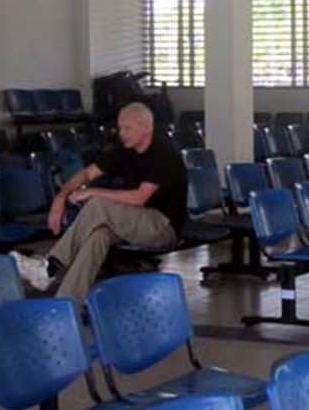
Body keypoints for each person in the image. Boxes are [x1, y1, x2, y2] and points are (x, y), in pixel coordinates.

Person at [11, 102, 187, 302]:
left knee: (97, 204)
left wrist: (92, 192)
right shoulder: (125, 151)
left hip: (163, 227)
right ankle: (67, 303)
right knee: (98, 236)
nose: (122, 133)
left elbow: (139, 197)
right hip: (134, 222)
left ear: (146, 127)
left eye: (127, 128)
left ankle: (51, 266)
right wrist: (60, 198)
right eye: (120, 127)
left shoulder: (163, 154)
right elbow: (87, 173)